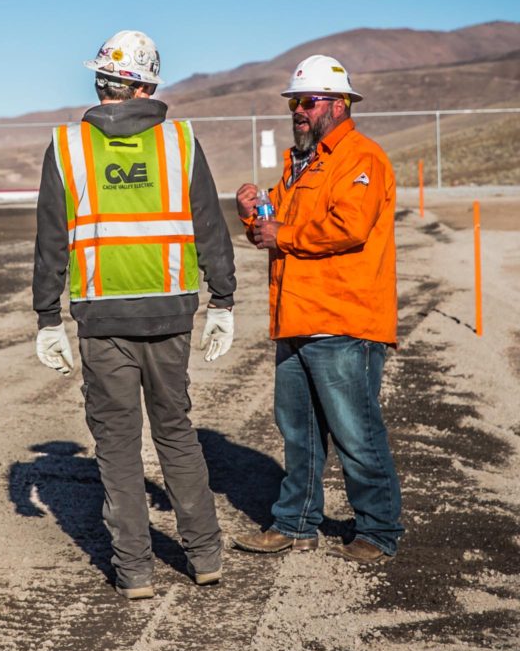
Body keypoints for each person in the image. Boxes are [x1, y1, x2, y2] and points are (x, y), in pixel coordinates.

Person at [32, 30, 237, 599]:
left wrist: (48, 316)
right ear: (148, 85)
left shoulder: (67, 147)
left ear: (101, 82)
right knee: (176, 433)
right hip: (170, 315)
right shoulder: (181, 142)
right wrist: (223, 300)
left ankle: (136, 572)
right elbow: (209, 227)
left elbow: (51, 240)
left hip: (102, 320)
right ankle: (205, 557)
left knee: (118, 447)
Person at [232, 55, 402, 564]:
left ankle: (378, 530)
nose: (298, 111)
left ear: (339, 103)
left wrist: (281, 232)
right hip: (296, 316)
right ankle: (296, 523)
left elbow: (348, 227)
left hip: (344, 320)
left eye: (307, 102)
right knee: (298, 432)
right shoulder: (297, 163)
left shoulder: (361, 159)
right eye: (293, 102)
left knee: (356, 432)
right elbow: (278, 229)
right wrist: (254, 215)